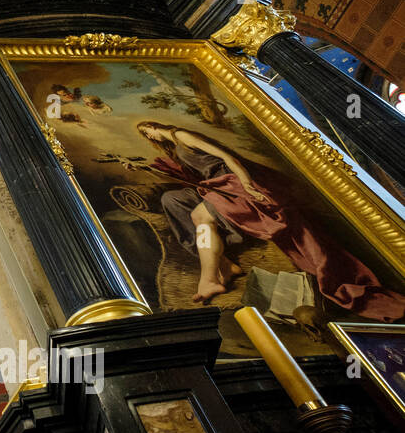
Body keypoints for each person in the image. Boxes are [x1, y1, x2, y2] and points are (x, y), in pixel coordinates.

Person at [130, 120, 405, 320]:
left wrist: (247, 184)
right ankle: (224, 266)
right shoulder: (176, 149)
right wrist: (143, 168)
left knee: (200, 214)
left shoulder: (181, 134)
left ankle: (209, 278)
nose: (149, 134)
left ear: (156, 125)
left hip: (234, 183)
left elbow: (227, 156)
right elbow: (193, 178)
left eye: (148, 129)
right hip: (218, 187)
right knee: (174, 201)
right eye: (144, 134)